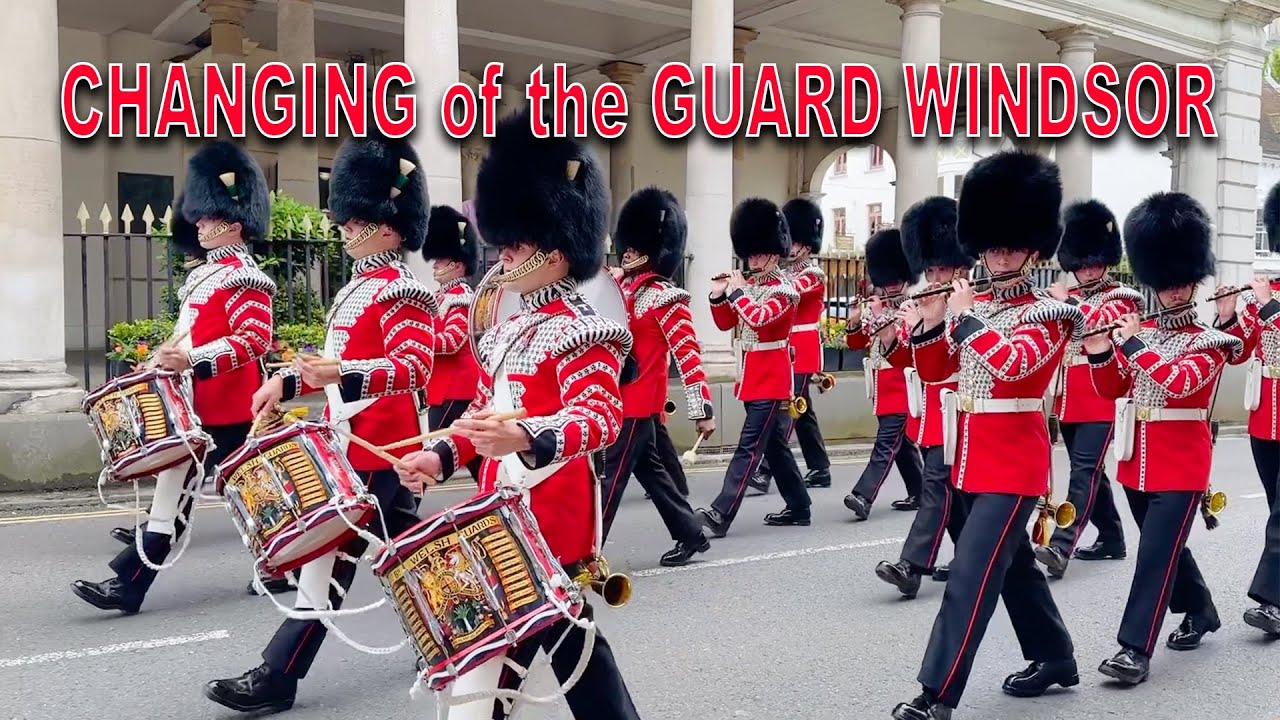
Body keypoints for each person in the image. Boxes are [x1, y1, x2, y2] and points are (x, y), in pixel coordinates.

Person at [395, 108, 643, 720]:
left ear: (559, 249)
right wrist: (440, 453)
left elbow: (598, 418)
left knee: (523, 668)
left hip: (551, 524)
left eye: (520, 243)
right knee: (554, 662)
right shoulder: (507, 331)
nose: (506, 254)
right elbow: (482, 415)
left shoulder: (587, 333)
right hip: (498, 522)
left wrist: (528, 434)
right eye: (506, 242)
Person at [203, 134, 436, 714]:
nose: (342, 226)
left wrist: (340, 371)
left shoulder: (404, 292)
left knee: (379, 562)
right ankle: (284, 674)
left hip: (384, 449)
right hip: (348, 446)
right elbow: (333, 367)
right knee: (382, 561)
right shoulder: (358, 290)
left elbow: (412, 368)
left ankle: (279, 675)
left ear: (387, 226)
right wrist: (283, 382)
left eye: (353, 218)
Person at [892, 151, 1082, 720]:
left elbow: (1016, 367)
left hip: (1016, 465)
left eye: (1011, 245)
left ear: (1033, 248)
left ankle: (936, 695)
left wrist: (965, 318)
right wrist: (928, 322)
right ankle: (1056, 657)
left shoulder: (1052, 314)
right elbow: (931, 375)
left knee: (970, 579)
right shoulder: (965, 306)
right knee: (1016, 568)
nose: (999, 255)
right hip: (967, 458)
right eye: (992, 244)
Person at [72, 141, 276, 614]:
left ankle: (279, 567)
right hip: (197, 403)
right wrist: (164, 359)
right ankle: (129, 586)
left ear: (234, 223)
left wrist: (193, 360)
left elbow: (252, 341)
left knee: (253, 493)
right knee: (174, 490)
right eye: (200, 216)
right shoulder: (205, 276)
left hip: (230, 408)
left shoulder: (247, 279)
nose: (198, 223)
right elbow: (190, 335)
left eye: (207, 217)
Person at [1084, 191, 1241, 684]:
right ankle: (1201, 609)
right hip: (1137, 462)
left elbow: (1178, 381)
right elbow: (1113, 389)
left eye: (1184, 283)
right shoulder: (1143, 334)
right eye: (1167, 283)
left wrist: (1130, 342)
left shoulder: (1213, 341)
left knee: (1153, 557)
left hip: (1182, 466)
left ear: (1195, 284)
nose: (1175, 291)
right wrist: (1099, 351)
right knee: (1168, 549)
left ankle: (1134, 650)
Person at [602, 186, 713, 566]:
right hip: (620, 398)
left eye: (635, 247)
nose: (627, 253)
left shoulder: (667, 296)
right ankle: (691, 533)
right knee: (653, 474)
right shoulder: (622, 289)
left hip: (638, 401)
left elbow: (688, 355)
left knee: (610, 480)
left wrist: (702, 408)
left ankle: (582, 553)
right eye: (626, 246)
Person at [1034, 199, 1140, 578]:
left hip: (1103, 396)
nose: (1089, 269)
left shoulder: (1121, 296)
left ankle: (1062, 545)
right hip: (1070, 399)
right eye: (1082, 263)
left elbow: (1100, 328)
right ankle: (1112, 538)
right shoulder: (1070, 298)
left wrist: (1068, 303)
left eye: (1095, 262)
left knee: (1082, 473)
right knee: (1092, 473)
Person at [696, 198, 813, 538]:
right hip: (751, 376)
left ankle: (721, 511)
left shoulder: (785, 290)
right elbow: (724, 324)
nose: (754, 260)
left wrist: (736, 293)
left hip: (772, 378)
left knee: (748, 447)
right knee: (775, 446)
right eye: (751, 254)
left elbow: (759, 320)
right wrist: (719, 295)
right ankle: (800, 506)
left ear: (775, 254)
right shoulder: (753, 287)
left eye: (761, 254)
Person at [873, 196, 970, 598]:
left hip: (962, 414)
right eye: (929, 269)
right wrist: (892, 338)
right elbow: (914, 364)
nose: (933, 276)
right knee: (953, 496)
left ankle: (912, 566)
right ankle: (970, 555)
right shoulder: (929, 304)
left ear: (961, 269)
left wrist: (932, 322)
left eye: (941, 268)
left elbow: (950, 363)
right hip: (932, 413)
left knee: (936, 489)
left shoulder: (970, 308)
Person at [1210, 180, 1280, 638]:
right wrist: (1229, 314)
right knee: (1277, 508)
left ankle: (1271, 602)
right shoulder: (1266, 292)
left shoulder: (1271, 299)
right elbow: (1237, 353)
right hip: (1264, 420)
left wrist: (1270, 307)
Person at [748, 197, 833, 492]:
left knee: (785, 411)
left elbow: (788, 294)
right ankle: (820, 468)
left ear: (806, 247)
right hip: (785, 349)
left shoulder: (812, 274)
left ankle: (767, 470)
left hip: (803, 349)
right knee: (802, 411)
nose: (788, 247)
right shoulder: (783, 275)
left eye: (793, 241)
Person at [844, 228, 925, 520]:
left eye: (895, 282)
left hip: (902, 389)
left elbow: (907, 346)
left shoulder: (913, 308)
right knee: (901, 447)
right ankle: (921, 491)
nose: (890, 287)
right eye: (886, 282)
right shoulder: (875, 308)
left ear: (905, 280)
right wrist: (855, 320)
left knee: (884, 445)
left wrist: (881, 318)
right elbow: (855, 344)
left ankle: (863, 495)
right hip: (881, 389)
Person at [420, 203, 484, 481]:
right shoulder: (441, 296)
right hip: (445, 387)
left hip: (456, 388)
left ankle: (407, 507)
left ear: (457, 265)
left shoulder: (459, 297)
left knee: (432, 448)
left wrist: (418, 342)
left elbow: (452, 341)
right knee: (474, 456)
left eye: (441, 260)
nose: (435, 265)